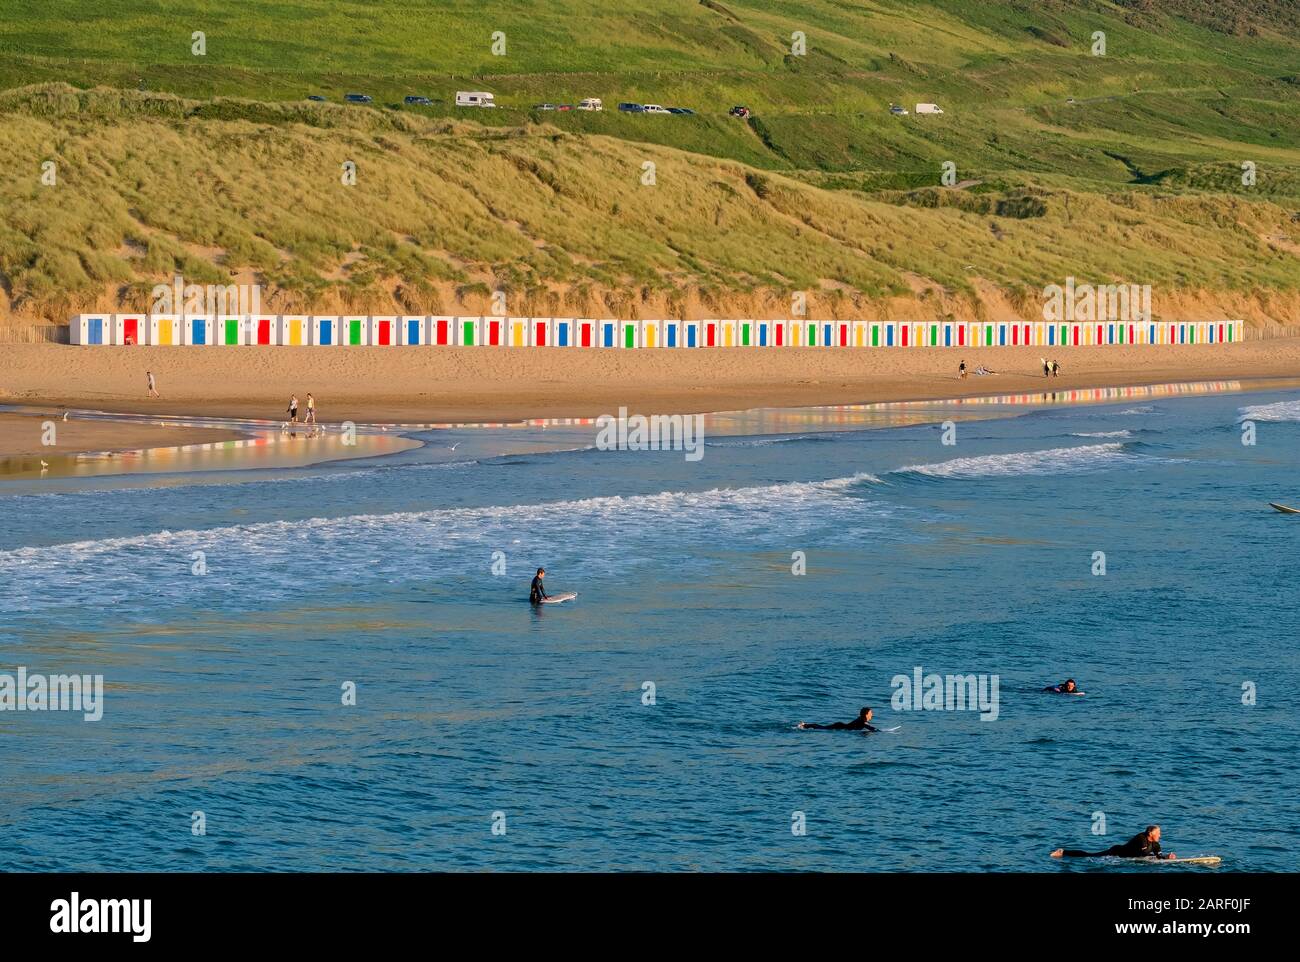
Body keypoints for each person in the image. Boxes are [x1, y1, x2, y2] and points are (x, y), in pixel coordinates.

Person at [1052, 825, 1174, 860]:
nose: (1160, 835)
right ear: (1150, 833)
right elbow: (1142, 855)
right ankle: (1063, 852)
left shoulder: (1156, 844)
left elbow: (1158, 856)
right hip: (1116, 852)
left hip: (1127, 856)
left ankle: (1064, 852)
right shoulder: (1141, 838)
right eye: (1158, 833)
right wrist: (1153, 858)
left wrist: (1166, 857)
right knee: (1089, 855)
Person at [798, 706, 878, 732]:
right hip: (840, 727)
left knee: (823, 727)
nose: (872, 715)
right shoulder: (862, 721)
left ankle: (805, 725)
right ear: (866, 714)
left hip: (841, 725)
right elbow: (871, 728)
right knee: (823, 728)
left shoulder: (861, 719)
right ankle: (804, 725)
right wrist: (883, 731)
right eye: (871, 713)